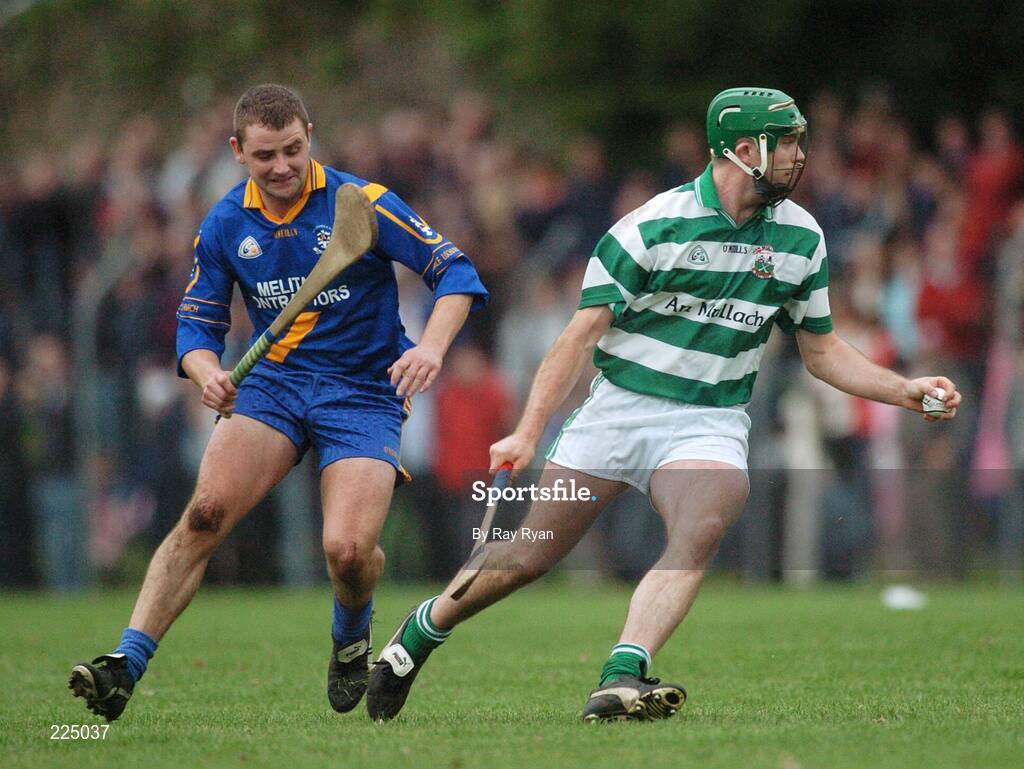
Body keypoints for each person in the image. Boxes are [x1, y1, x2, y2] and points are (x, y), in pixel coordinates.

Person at [365, 87, 962, 723]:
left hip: (708, 422)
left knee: (700, 527)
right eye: (785, 142)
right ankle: (423, 631)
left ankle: (623, 673)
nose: (798, 154)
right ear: (743, 149)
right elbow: (577, 339)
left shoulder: (802, 238)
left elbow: (822, 351)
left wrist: (905, 389)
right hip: (617, 413)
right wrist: (527, 431)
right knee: (524, 558)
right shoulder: (651, 226)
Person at [69, 84, 488, 721]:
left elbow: (454, 272)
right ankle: (125, 664)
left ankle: (351, 634)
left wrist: (429, 346)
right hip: (275, 384)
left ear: (309, 135)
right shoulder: (225, 222)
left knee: (348, 551)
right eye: (266, 155)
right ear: (238, 151)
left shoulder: (361, 202)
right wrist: (206, 371)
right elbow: (196, 324)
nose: (283, 166)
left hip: (364, 390)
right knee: (205, 513)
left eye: (293, 149)